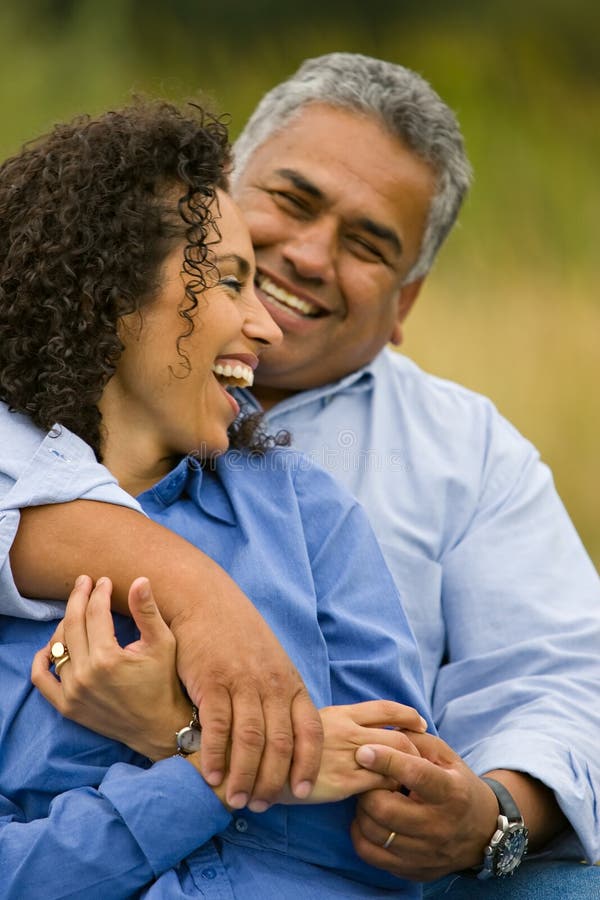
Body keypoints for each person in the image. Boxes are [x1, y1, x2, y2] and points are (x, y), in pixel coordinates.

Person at [4, 53, 600, 894]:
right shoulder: (26, 439)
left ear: (406, 305)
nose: (310, 259)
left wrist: (184, 738)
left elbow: (553, 686)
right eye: (292, 200)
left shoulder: (422, 470)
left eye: (367, 245)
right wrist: (199, 597)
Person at [0, 98, 436, 898]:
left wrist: (181, 732)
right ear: (111, 297)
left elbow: (407, 817)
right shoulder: (14, 527)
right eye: (231, 281)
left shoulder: (310, 516)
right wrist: (210, 775)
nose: (265, 327)